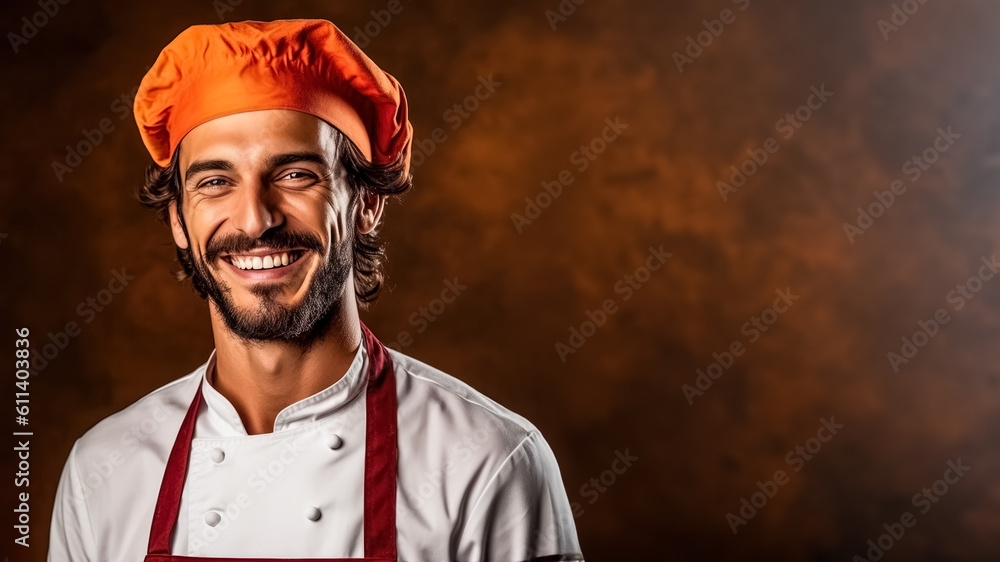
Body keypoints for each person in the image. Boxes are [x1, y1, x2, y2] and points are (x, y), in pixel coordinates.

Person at [46, 18, 583, 562]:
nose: (255, 220)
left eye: (296, 174)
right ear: (179, 220)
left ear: (366, 203)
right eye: (215, 182)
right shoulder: (102, 474)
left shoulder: (489, 462)